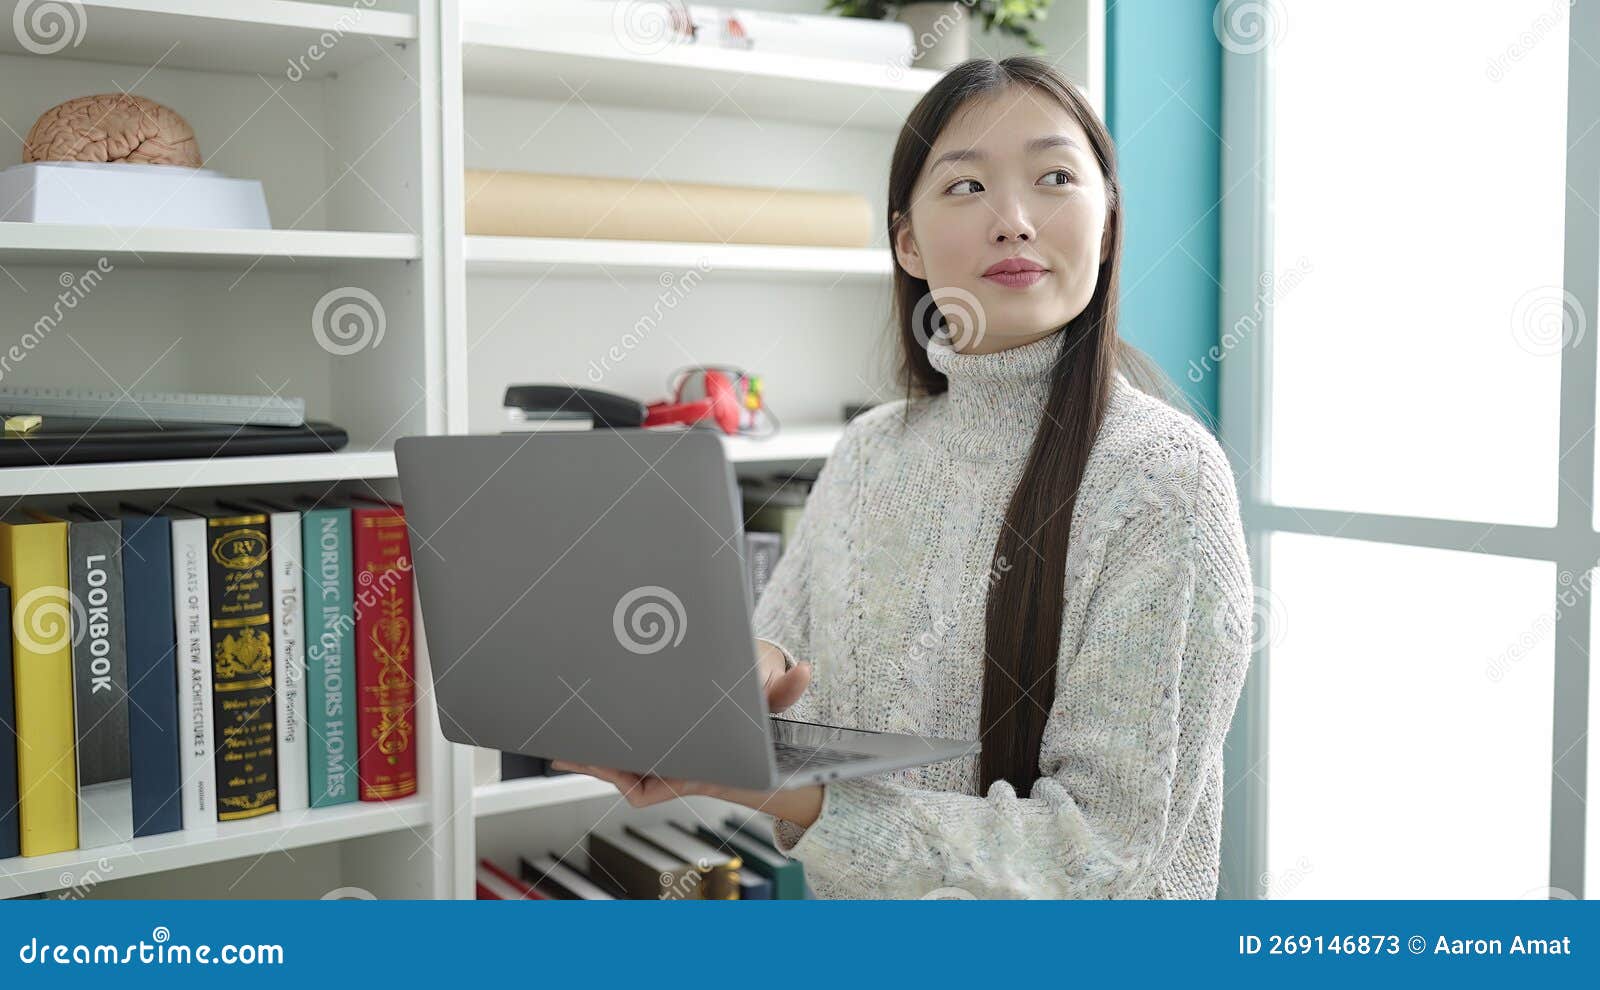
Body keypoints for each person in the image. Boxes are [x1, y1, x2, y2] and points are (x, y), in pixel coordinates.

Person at [554, 55, 1254, 899]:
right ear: (907, 242)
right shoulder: (870, 451)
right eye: (967, 187)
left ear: (1107, 220)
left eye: (1055, 178)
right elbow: (788, 672)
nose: (1014, 221)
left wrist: (761, 785)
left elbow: (1095, 858)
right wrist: (730, 684)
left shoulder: (1163, 478)